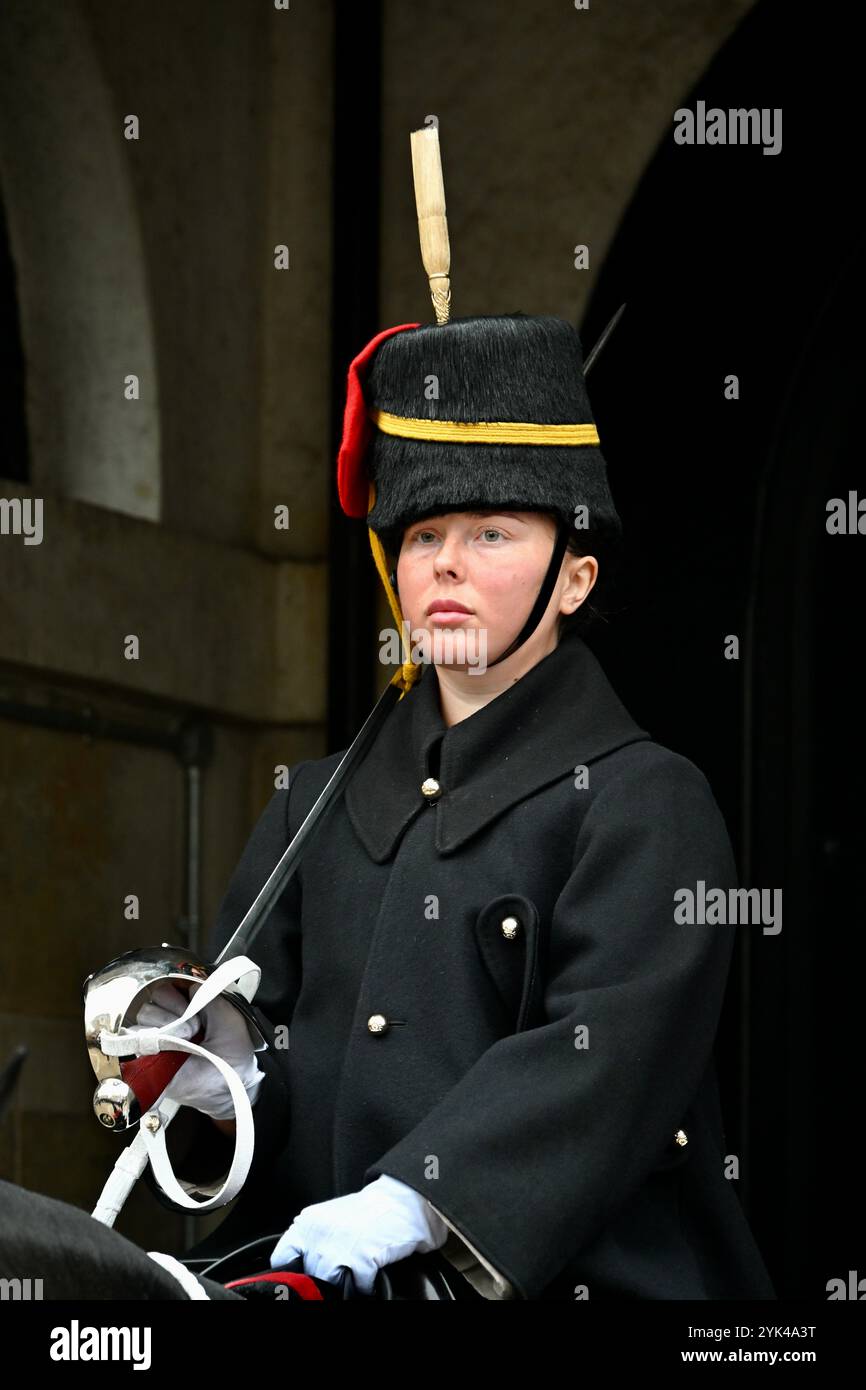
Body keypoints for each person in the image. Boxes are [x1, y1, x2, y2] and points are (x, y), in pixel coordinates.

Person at [139, 313, 776, 1301]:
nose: (444, 561)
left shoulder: (646, 803)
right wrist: (213, 1081)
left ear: (574, 575)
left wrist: (414, 1200)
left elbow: (601, 1063)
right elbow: (248, 1054)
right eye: (423, 533)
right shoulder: (313, 803)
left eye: (491, 530)